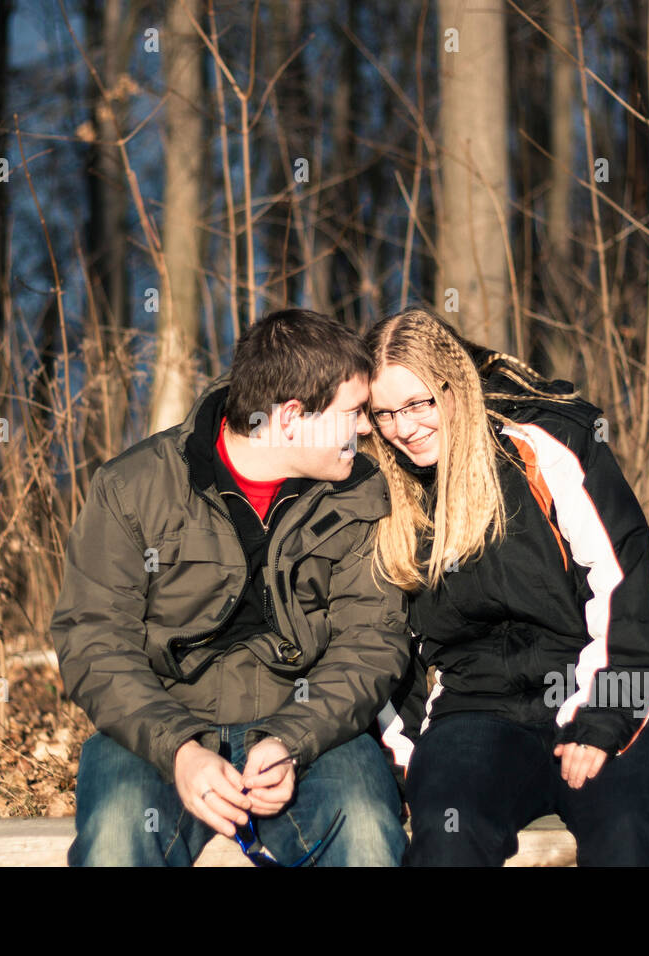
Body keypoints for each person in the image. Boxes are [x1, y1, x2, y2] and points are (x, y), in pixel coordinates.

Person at [51, 309, 410, 866]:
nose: (367, 429)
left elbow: (372, 642)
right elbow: (94, 640)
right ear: (291, 417)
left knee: (365, 834)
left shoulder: (359, 494)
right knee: (117, 839)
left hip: (311, 728)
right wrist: (180, 751)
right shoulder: (133, 487)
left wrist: (293, 740)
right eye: (353, 412)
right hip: (159, 727)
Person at [363, 308, 649, 866]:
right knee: (448, 837)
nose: (404, 427)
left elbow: (623, 581)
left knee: (628, 832)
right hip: (476, 711)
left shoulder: (544, 443)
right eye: (385, 412)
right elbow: (388, 644)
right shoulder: (383, 490)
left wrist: (603, 720)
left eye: (419, 403)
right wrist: (404, 758)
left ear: (455, 384)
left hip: (599, 692)